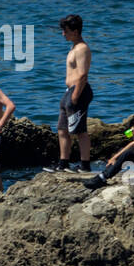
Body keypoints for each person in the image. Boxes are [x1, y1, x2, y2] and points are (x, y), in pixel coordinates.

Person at [45, 14, 93, 173]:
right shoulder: (74, 47)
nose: (63, 34)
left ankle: (85, 165)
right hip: (69, 91)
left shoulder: (82, 48)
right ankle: (63, 163)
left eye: (65, 31)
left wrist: (75, 95)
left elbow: (83, 74)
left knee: (80, 131)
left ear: (75, 30)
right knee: (62, 129)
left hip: (78, 91)